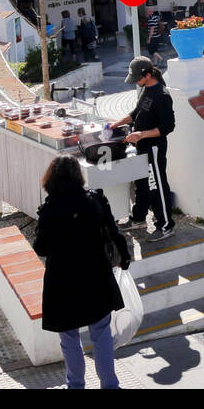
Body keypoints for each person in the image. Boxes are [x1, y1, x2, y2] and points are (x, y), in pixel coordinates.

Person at [34, 155, 130, 389]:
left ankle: (75, 385)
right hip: (95, 275)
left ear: (51, 179)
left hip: (62, 280)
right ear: (79, 175)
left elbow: (41, 248)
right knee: (101, 334)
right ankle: (110, 385)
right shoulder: (95, 200)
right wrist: (124, 257)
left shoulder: (49, 208)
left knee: (69, 338)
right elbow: (114, 231)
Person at [111, 58, 176, 241]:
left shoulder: (162, 95)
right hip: (142, 147)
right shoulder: (146, 89)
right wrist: (115, 125)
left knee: (157, 187)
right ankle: (139, 218)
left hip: (154, 149)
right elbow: (135, 114)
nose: (135, 82)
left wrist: (141, 135)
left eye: (137, 78)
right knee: (141, 184)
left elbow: (168, 127)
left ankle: (166, 226)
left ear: (147, 75)